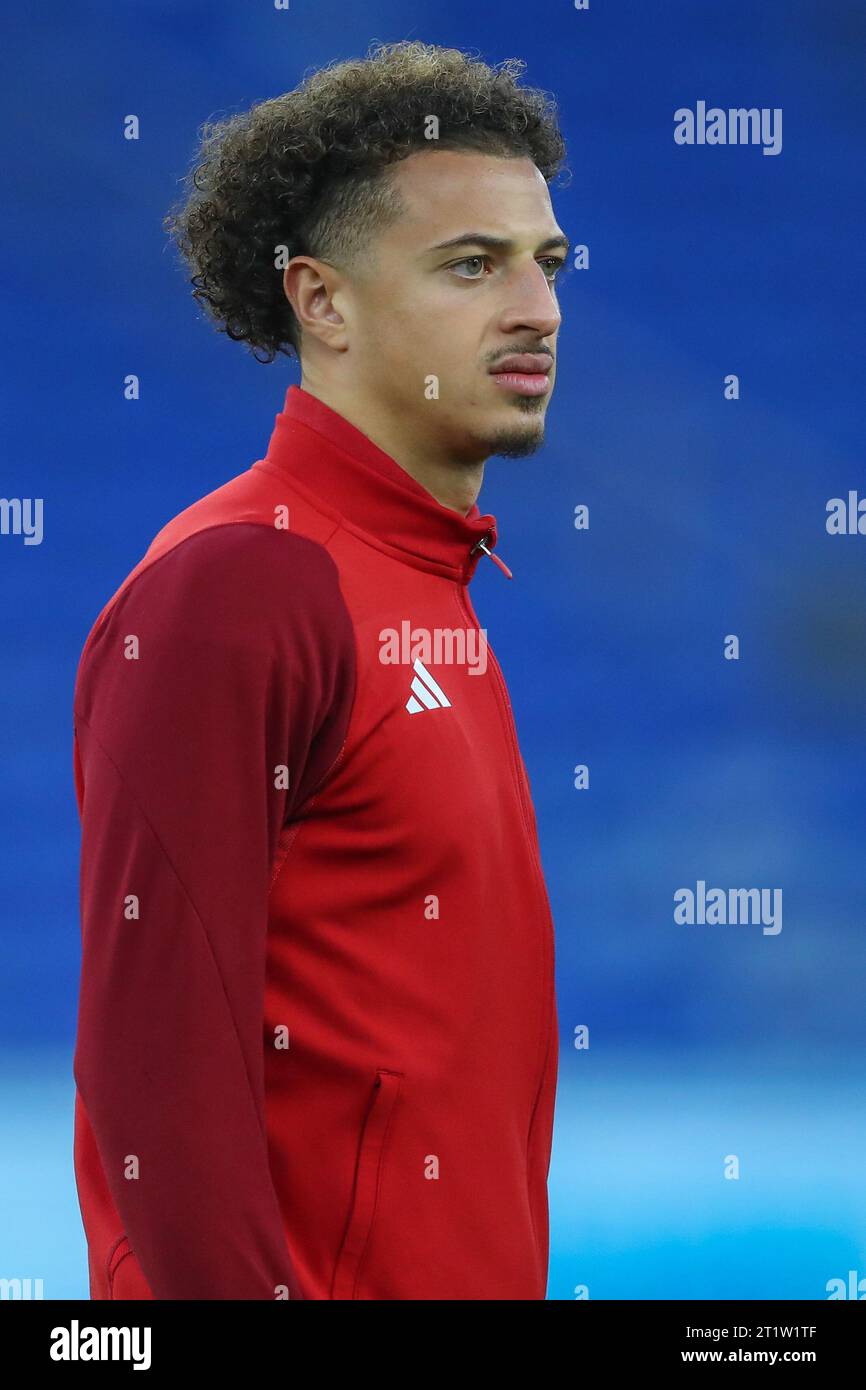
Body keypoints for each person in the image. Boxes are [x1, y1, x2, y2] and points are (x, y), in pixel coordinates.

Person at [72, 38, 567, 1301]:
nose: (536, 309)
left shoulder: (428, 584)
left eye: (544, 263)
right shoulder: (241, 587)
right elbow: (156, 1074)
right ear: (321, 300)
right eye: (472, 265)